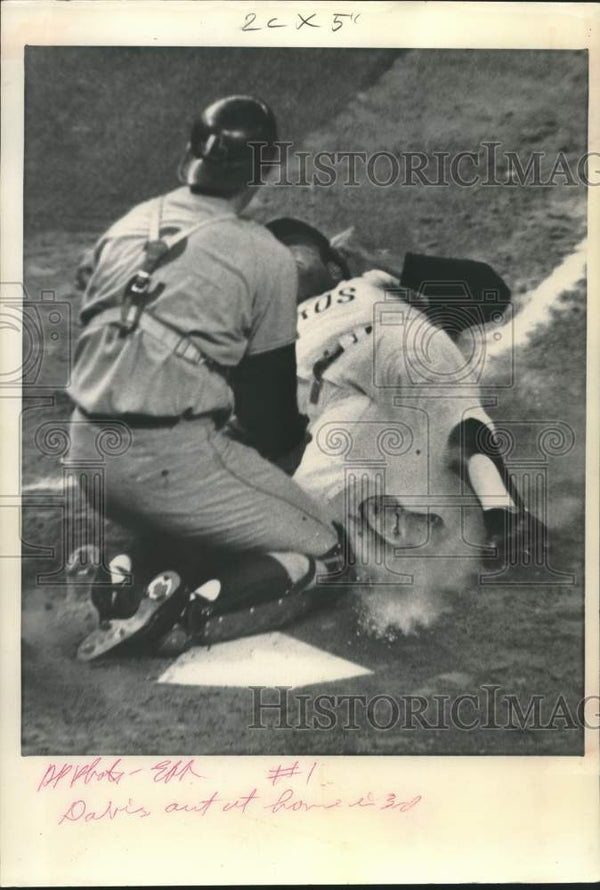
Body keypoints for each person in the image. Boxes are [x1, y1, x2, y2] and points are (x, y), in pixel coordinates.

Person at [68, 98, 341, 661]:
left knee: (208, 496)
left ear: (191, 155)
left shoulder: (128, 225)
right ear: (264, 168)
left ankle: (125, 577)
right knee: (328, 551)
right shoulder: (264, 256)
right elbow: (269, 417)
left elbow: (100, 317)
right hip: (168, 461)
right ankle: (185, 613)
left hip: (88, 452)